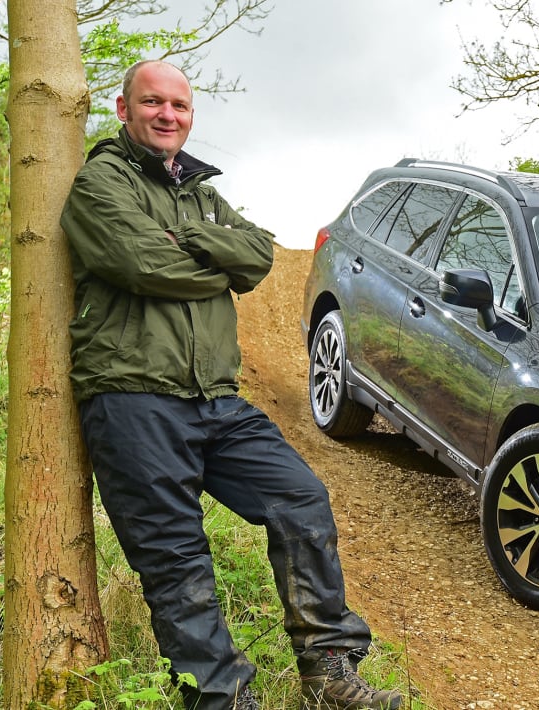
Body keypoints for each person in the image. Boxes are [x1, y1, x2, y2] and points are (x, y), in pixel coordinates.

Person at [59, 59, 403, 710]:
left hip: (214, 399)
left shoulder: (199, 192)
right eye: (153, 102)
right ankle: (223, 701)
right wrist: (212, 262)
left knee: (300, 498)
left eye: (180, 106)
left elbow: (258, 254)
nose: (168, 115)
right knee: (176, 560)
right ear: (123, 108)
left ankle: (329, 675)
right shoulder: (100, 182)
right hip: (133, 398)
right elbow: (142, 264)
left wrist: (189, 237)